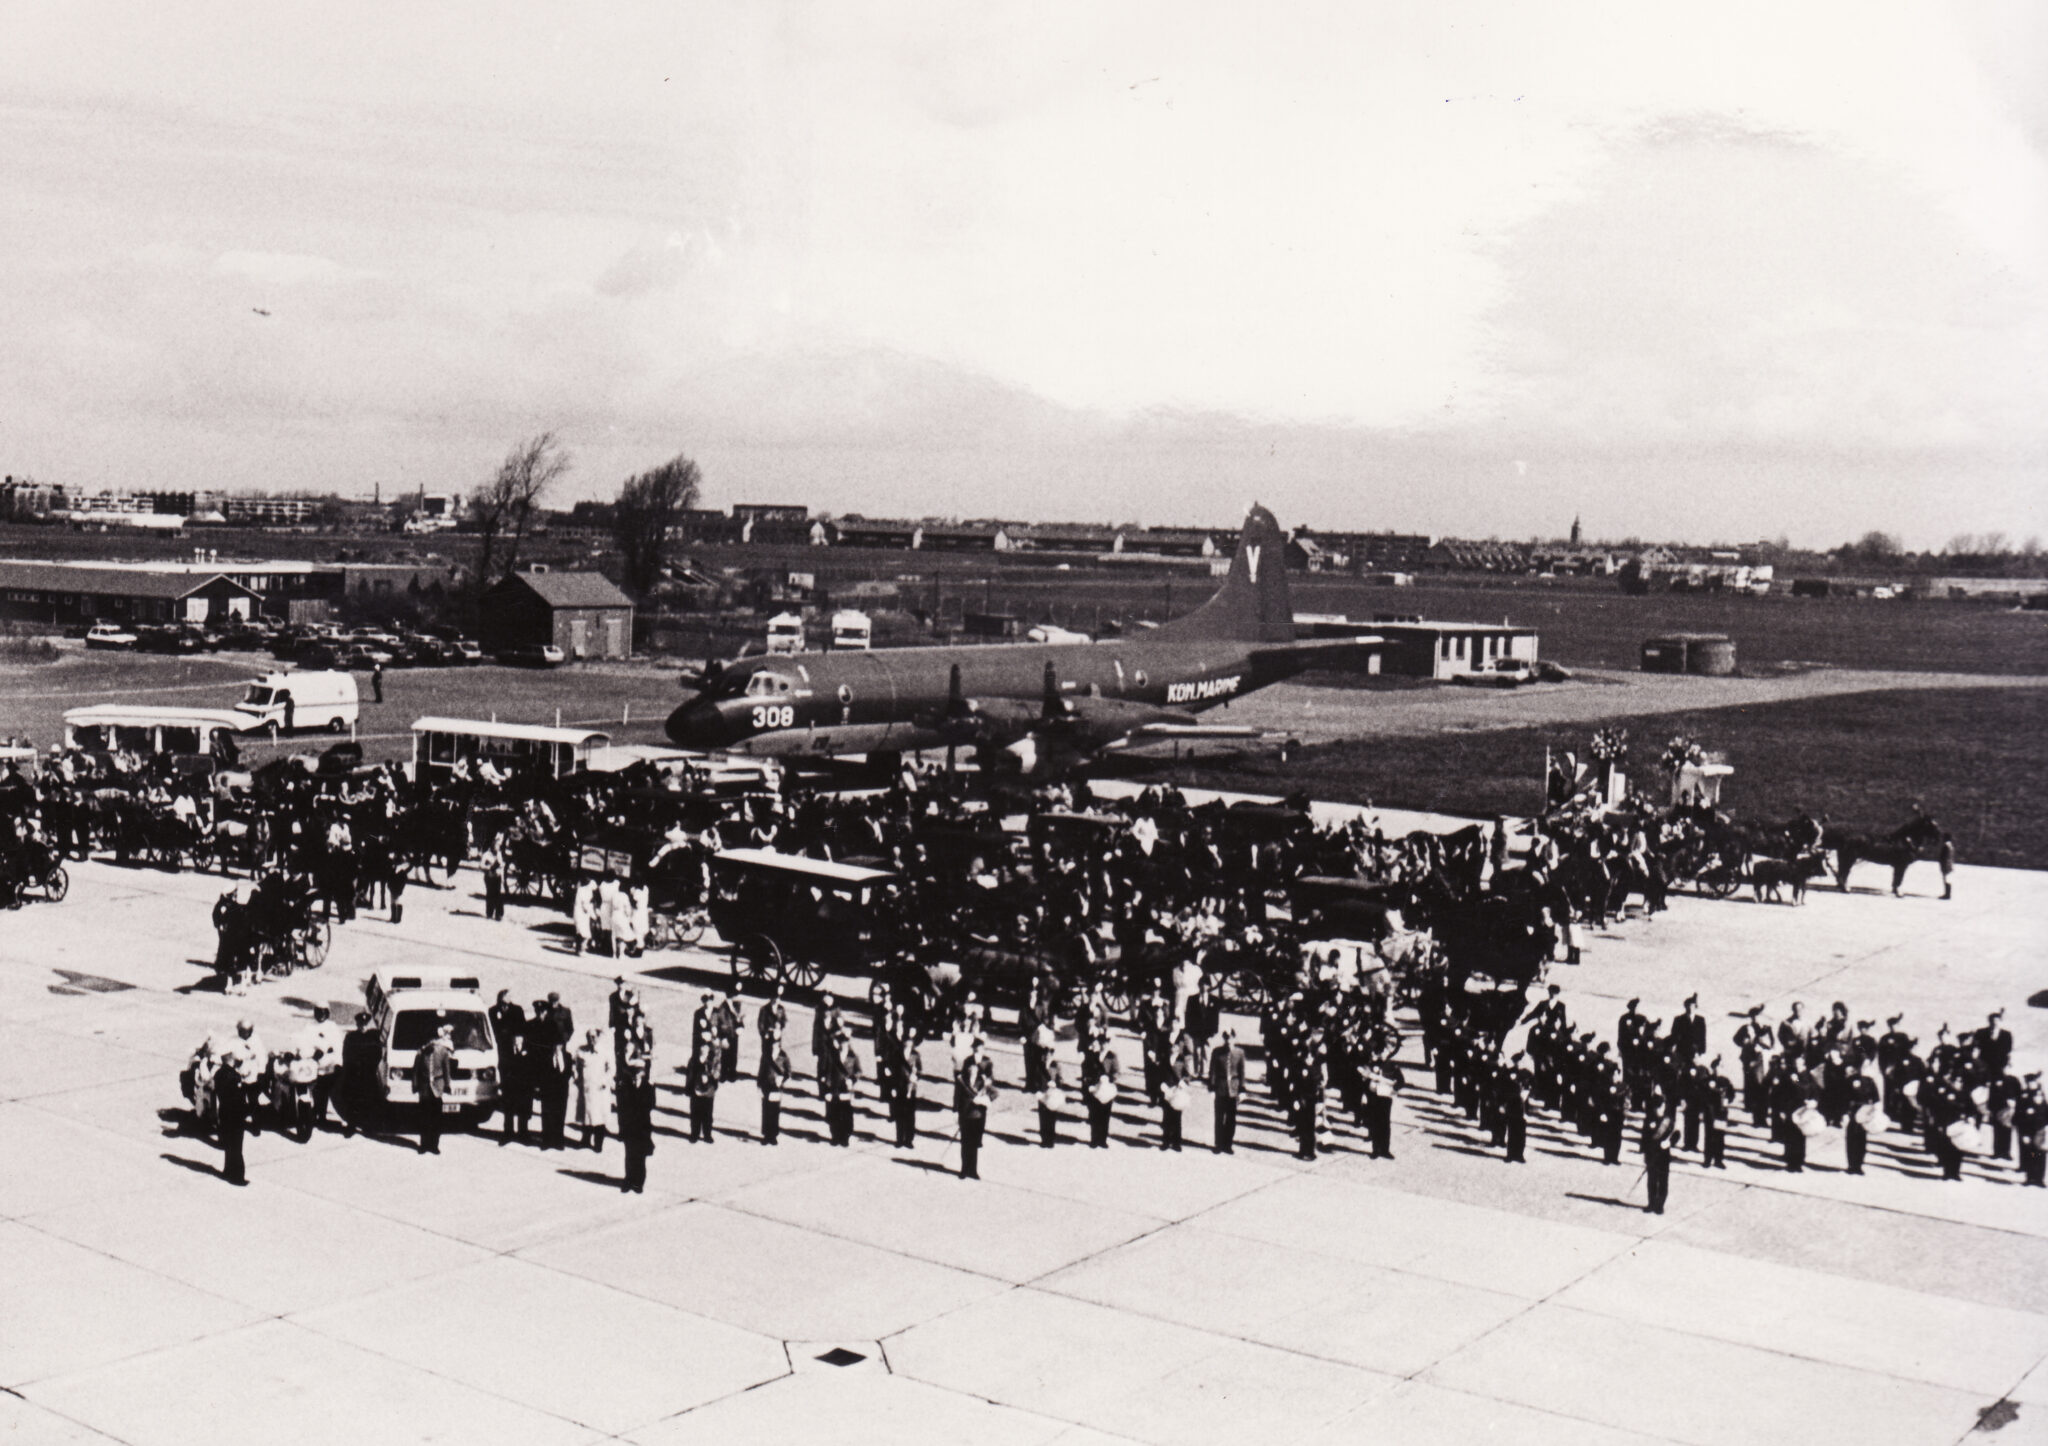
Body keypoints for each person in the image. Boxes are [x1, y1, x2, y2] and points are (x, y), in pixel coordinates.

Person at [490, 991, 530, 1144]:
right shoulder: (493, 1011)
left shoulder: (517, 1010)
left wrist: (519, 1041)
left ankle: (523, 1133)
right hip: (505, 1060)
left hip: (521, 1071)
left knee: (523, 1103)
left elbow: (522, 1028)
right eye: (504, 998)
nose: (506, 1000)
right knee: (508, 1101)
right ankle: (508, 1132)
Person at [298, 1005, 344, 1131]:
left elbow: (338, 1047)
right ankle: (309, 1115)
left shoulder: (332, 1027)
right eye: (319, 1012)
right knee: (312, 1089)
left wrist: (338, 1063)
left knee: (324, 1092)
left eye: (324, 1012)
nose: (321, 1015)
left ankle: (322, 1117)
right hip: (312, 1064)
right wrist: (310, 1053)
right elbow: (303, 1043)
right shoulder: (309, 1027)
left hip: (328, 1064)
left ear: (327, 1013)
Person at [957, 1035, 997, 1179]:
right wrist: (956, 1106)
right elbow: (959, 1086)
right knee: (965, 1141)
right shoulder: (968, 1062)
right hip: (965, 1108)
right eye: (974, 1049)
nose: (976, 1052)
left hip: (979, 1108)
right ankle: (964, 1169)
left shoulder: (987, 1062)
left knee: (974, 1141)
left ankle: (972, 1170)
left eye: (978, 1049)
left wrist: (987, 1087)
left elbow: (992, 1083)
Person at [414, 1022, 456, 1155]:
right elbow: (415, 1071)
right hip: (425, 1089)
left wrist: (447, 1085)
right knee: (424, 1118)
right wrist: (415, 1085)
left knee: (436, 1119)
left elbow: (446, 1070)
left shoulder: (442, 1052)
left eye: (434, 1039)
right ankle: (424, 1144)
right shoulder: (421, 1053)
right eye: (430, 1040)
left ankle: (434, 1145)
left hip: (437, 1089)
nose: (432, 1042)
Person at [573, 1029, 615, 1151]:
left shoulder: (605, 1052)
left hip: (599, 1090)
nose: (591, 1040)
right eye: (589, 1037)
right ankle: (585, 1140)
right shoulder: (581, 1051)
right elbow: (575, 1066)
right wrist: (577, 1078)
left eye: (593, 1037)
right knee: (586, 1116)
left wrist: (604, 1081)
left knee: (599, 1117)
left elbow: (612, 1070)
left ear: (598, 1037)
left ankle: (598, 1144)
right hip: (586, 1089)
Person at [617, 1060, 654, 1193]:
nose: (636, 1075)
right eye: (634, 1072)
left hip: (642, 1127)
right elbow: (621, 1107)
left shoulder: (648, 1087)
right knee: (629, 1155)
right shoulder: (625, 1086)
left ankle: (639, 1182)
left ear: (643, 1073)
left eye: (639, 1072)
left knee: (640, 1156)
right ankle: (629, 1179)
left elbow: (651, 1104)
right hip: (629, 1126)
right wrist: (621, 1128)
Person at [1209, 1029, 1245, 1155]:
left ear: (1234, 1039)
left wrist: (1242, 1090)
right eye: (1226, 1038)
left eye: (1231, 1038)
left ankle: (1228, 1144)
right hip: (1221, 1087)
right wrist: (1212, 1088)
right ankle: (1218, 1144)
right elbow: (1212, 1071)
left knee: (1231, 1118)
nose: (1229, 1041)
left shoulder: (1239, 1053)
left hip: (1233, 1090)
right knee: (1219, 1118)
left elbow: (1242, 1073)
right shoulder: (1217, 1052)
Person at [758, 1023, 792, 1145]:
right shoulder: (766, 1056)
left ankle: (773, 1135)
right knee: (766, 1110)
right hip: (767, 1085)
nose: (774, 1046)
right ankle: (766, 1135)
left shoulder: (783, 1056)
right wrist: (759, 1085)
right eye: (772, 1043)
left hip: (777, 1087)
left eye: (776, 1043)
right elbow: (761, 1071)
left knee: (775, 1111)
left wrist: (782, 1080)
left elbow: (788, 1072)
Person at [687, 1040, 720, 1143]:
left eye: (705, 1051)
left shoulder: (711, 1062)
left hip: (708, 1093)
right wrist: (689, 1089)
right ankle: (694, 1134)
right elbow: (689, 1076)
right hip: (696, 1091)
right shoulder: (693, 1061)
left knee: (708, 1115)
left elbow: (716, 1076)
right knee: (695, 1114)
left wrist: (712, 1084)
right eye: (701, 1051)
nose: (703, 1053)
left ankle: (707, 1134)